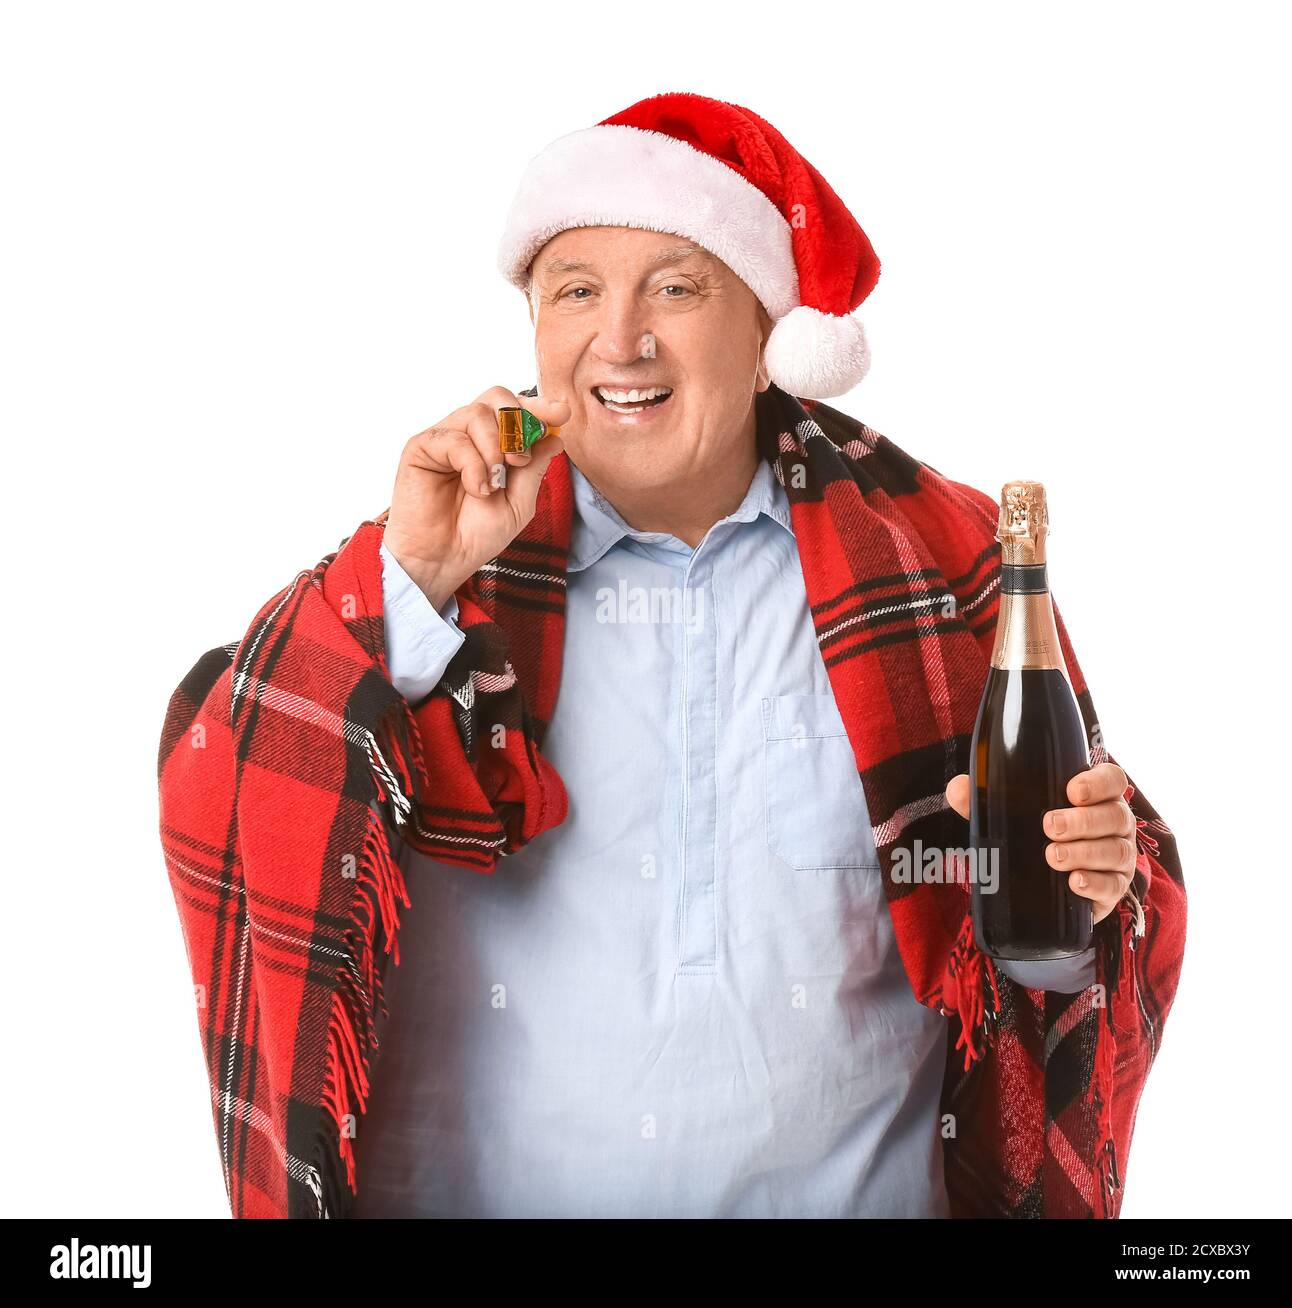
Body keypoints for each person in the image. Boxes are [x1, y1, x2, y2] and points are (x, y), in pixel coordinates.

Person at [158, 91, 1186, 1219]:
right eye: (576, 291)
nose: (620, 339)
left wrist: (1081, 897)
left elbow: (1046, 977)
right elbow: (229, 780)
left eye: (677, 288)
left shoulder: (943, 571)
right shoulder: (436, 568)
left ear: (767, 342)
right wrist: (407, 587)